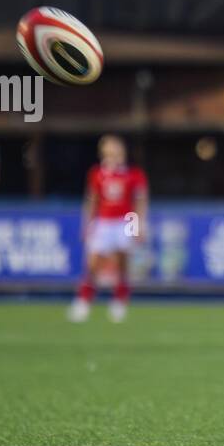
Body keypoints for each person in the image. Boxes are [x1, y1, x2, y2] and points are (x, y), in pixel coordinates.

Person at [69, 135, 148, 324]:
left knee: (123, 261)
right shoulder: (97, 173)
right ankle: (84, 300)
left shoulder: (134, 174)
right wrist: (87, 224)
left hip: (125, 220)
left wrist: (137, 226)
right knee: (94, 262)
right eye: (109, 151)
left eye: (117, 150)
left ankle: (119, 300)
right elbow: (92, 200)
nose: (114, 154)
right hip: (103, 221)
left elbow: (140, 202)